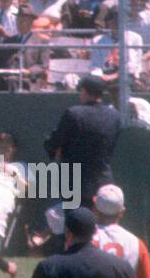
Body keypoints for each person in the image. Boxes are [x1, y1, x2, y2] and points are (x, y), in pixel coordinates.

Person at [42, 74, 123, 205]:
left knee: (74, 222)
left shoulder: (74, 113)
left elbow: (53, 143)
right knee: (103, 222)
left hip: (75, 183)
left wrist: (54, 150)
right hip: (104, 183)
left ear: (84, 91)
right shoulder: (115, 116)